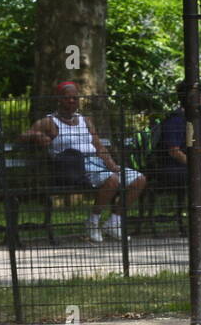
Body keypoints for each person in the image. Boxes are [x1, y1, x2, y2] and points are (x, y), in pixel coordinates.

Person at [21, 80, 146, 242]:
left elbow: (99, 146)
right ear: (58, 99)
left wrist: (113, 165)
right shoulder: (49, 122)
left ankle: (114, 222)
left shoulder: (85, 120)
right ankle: (93, 222)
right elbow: (23, 136)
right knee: (112, 180)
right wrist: (37, 136)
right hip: (74, 167)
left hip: (97, 164)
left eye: (75, 98)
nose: (72, 101)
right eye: (68, 98)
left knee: (138, 180)